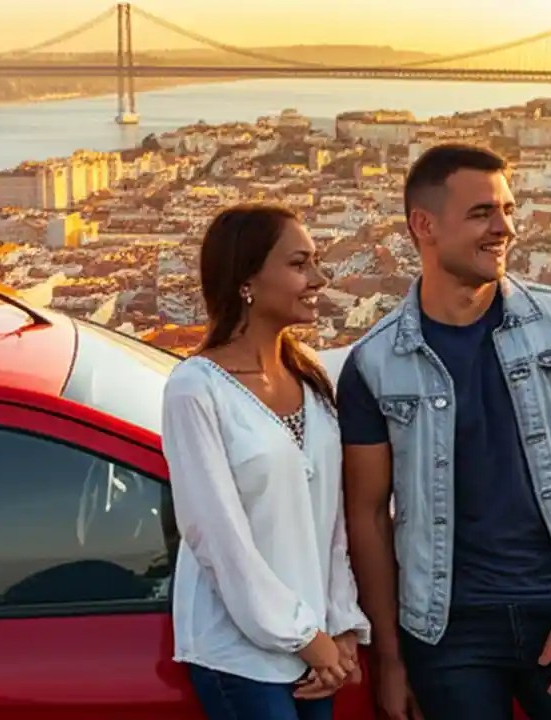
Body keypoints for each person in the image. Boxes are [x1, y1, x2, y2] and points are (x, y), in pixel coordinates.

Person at [337, 143, 551, 720]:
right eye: (482, 213)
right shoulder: (373, 365)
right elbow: (368, 517)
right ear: (423, 225)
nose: (505, 228)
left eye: (507, 209)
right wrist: (392, 662)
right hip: (446, 632)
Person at [161, 204, 371, 720]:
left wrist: (340, 624)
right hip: (240, 654)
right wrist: (303, 636)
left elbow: (331, 521)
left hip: (312, 649)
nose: (318, 278)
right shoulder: (196, 390)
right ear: (246, 280)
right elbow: (217, 535)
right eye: (300, 264)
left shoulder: (312, 380)